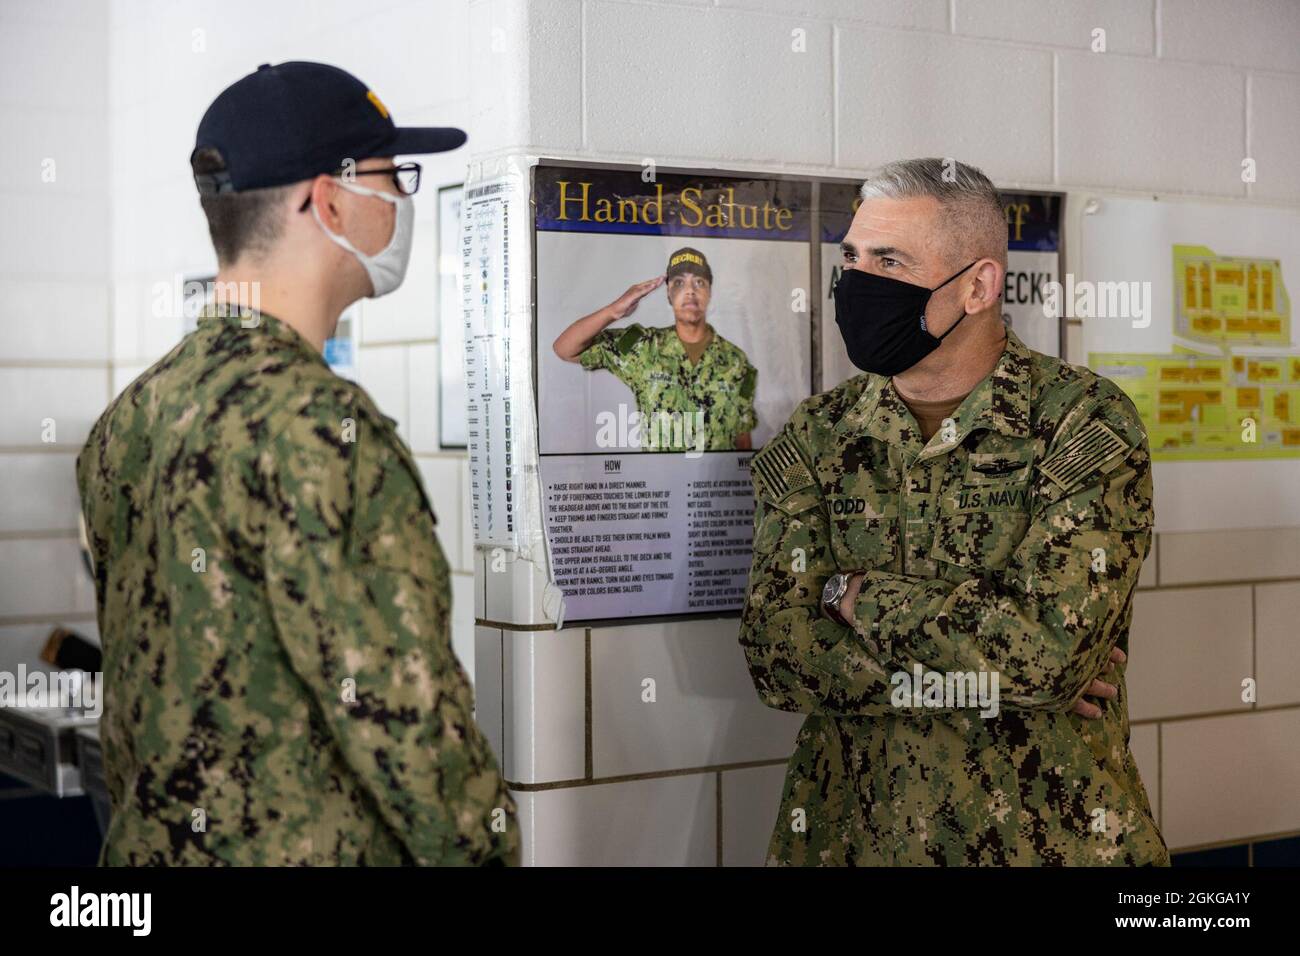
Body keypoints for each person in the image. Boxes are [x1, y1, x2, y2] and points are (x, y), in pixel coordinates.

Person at [76, 62, 516, 866]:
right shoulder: (324, 428)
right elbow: (408, 726)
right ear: (331, 197)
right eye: (394, 178)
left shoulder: (128, 419)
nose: (404, 202)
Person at [740, 158, 1167, 866]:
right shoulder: (819, 435)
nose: (857, 283)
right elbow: (777, 657)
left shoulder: (1081, 425)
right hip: (851, 842)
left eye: (890, 260)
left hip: (1046, 843)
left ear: (978, 285)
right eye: (851, 257)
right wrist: (990, 675)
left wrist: (853, 595)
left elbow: (1046, 656)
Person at [553, 247, 757, 451]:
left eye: (699, 282)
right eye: (679, 283)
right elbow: (565, 349)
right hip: (660, 480)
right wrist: (613, 311)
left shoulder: (735, 360)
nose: (690, 291)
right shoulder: (643, 347)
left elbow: (742, 439)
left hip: (714, 481)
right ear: (668, 292)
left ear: (709, 291)